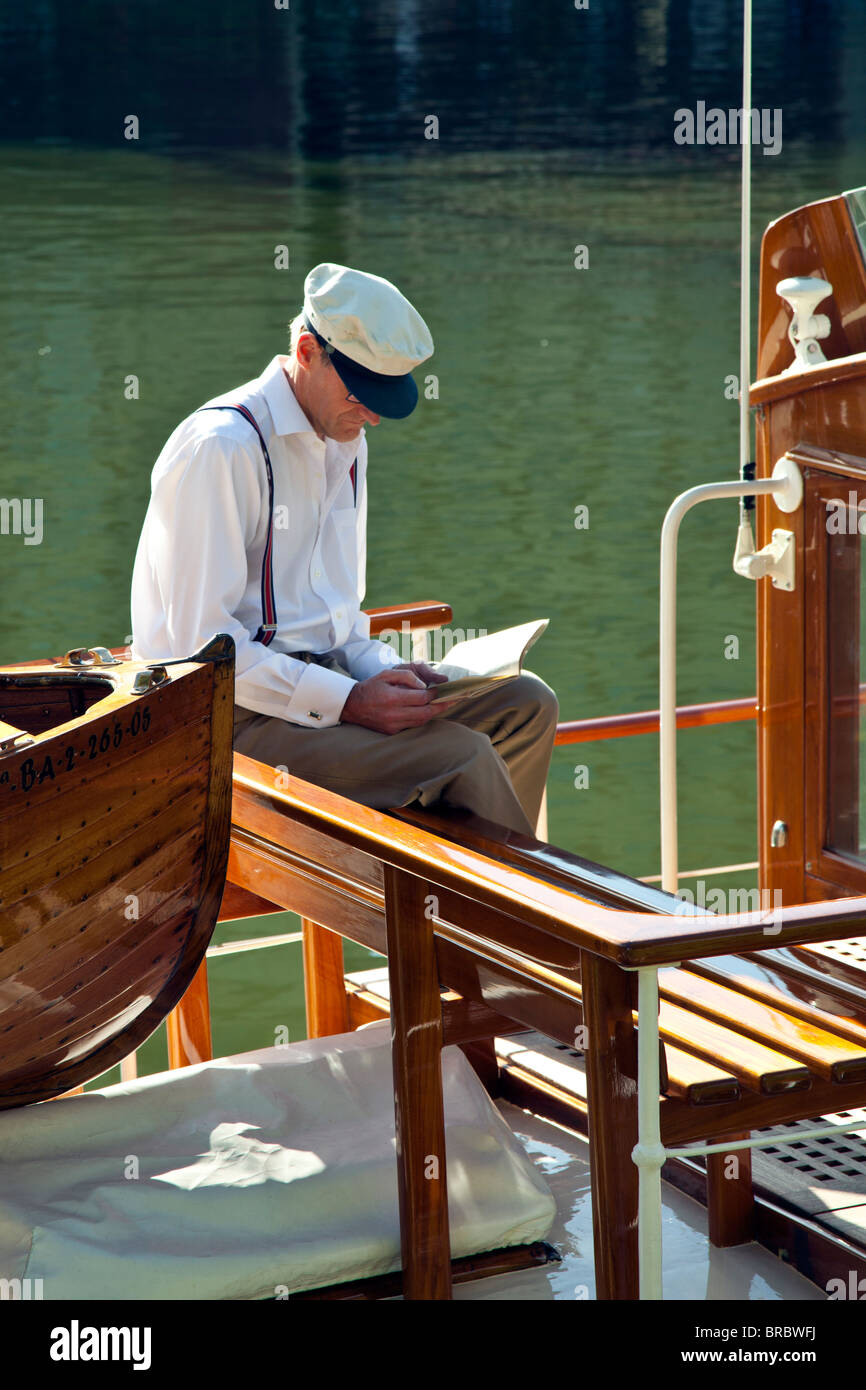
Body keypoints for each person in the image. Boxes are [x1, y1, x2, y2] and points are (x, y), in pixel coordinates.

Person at [130, 263, 558, 837]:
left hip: (315, 687)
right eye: (364, 393)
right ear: (307, 351)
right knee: (462, 756)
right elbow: (200, 654)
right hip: (220, 718)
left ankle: (473, 894)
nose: (375, 415)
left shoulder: (343, 434)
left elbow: (335, 619)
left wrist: (386, 671)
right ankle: (514, 914)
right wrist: (352, 702)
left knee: (526, 702)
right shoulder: (222, 449)